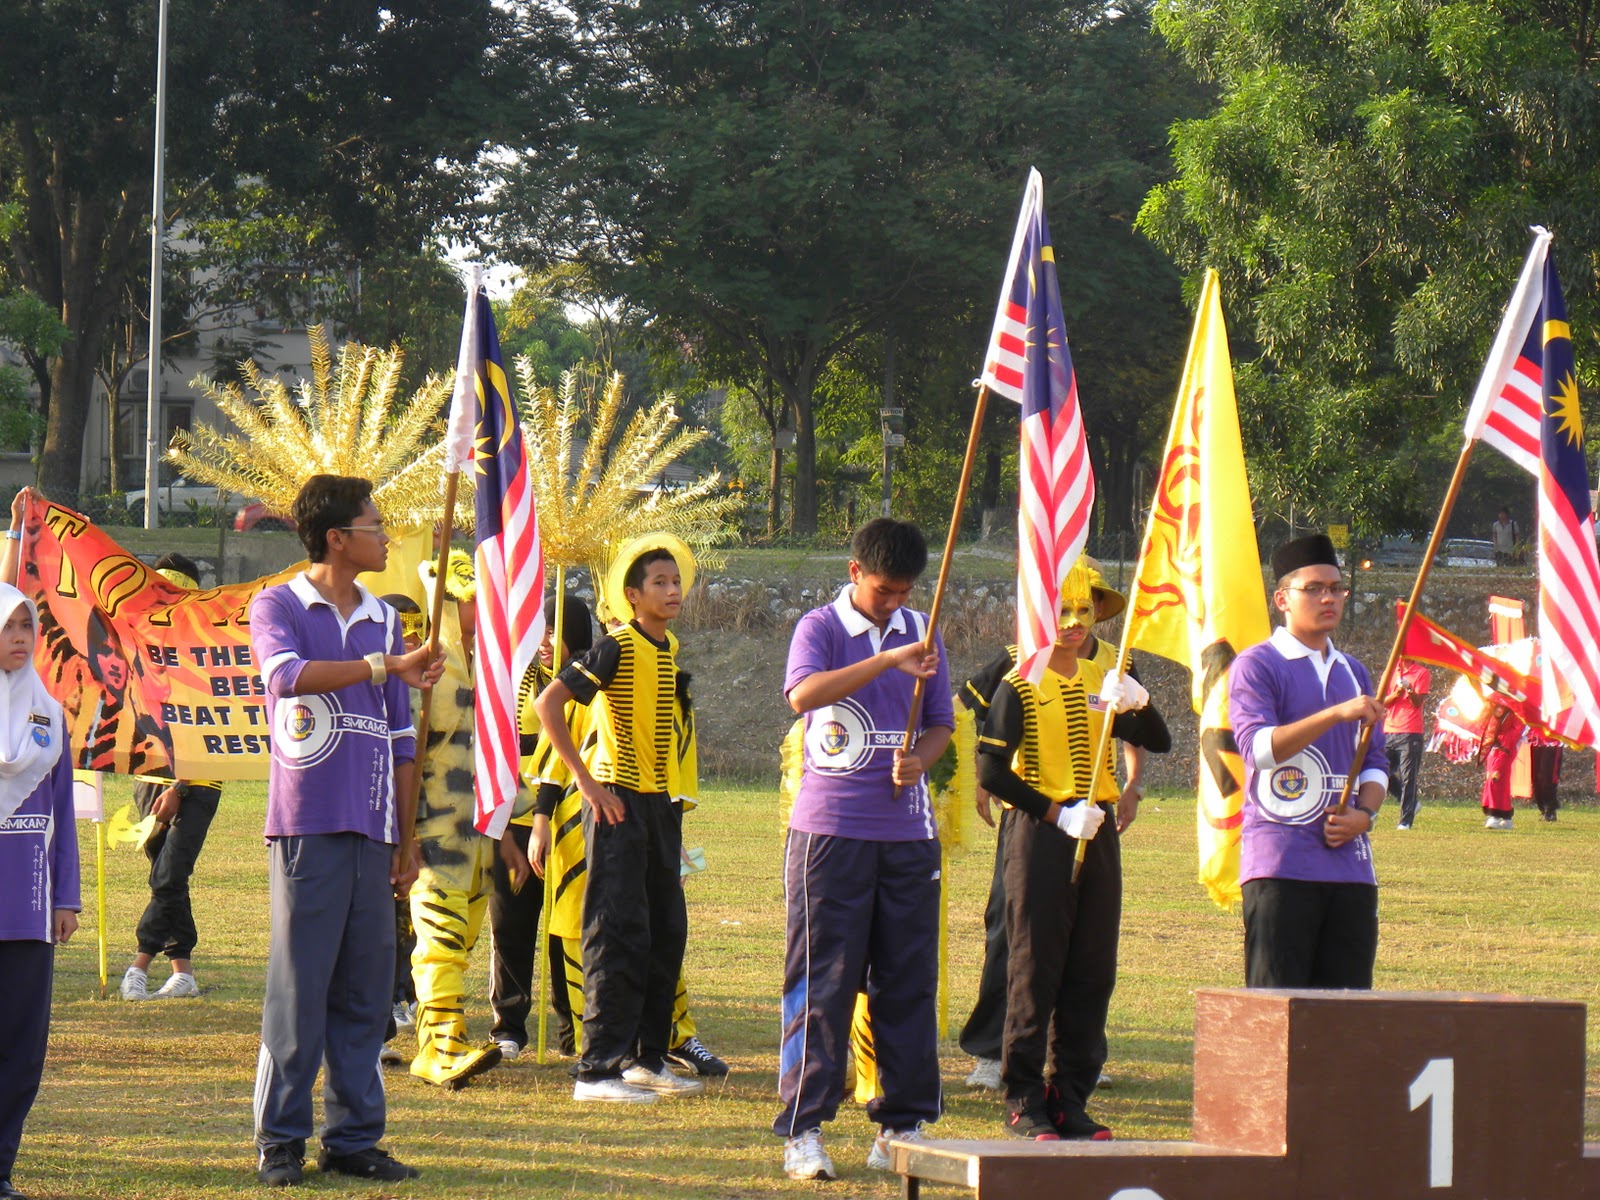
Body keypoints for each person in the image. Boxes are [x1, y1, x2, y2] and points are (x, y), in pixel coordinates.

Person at [247, 475, 442, 1187]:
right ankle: (280, 1139)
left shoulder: (384, 619)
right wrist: (386, 665)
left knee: (365, 991)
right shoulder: (277, 604)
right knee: (299, 988)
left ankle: (354, 1137)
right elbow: (285, 678)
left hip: (373, 828)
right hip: (306, 825)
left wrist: (404, 834)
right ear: (338, 538)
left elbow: (400, 736)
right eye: (374, 524)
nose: (385, 535)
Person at [775, 518, 953, 1182]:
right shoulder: (819, 628)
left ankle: (901, 1127)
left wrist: (921, 760)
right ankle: (803, 1129)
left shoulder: (924, 631)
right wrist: (885, 659)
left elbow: (940, 724)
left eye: (904, 593)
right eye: (883, 591)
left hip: (909, 837)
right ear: (855, 573)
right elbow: (803, 695)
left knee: (907, 983)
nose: (894, 604)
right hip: (829, 834)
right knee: (823, 980)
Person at [974, 557, 1169, 1141]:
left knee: (1092, 966)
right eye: (1062, 609)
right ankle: (1025, 1097)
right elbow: (990, 767)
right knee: (1035, 964)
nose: (1074, 622)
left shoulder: (1110, 669)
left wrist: (1136, 700)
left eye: (1085, 610)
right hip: (1043, 829)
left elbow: (1156, 739)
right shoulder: (1021, 678)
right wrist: (1057, 812)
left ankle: (1071, 1094)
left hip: (1100, 828)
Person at [533, 533, 702, 1104]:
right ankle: (596, 1070)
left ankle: (646, 1058)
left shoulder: (668, 648)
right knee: (616, 931)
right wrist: (583, 780)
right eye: (659, 582)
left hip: (659, 806)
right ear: (632, 595)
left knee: (664, 930)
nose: (672, 590)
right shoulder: (616, 646)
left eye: (675, 581)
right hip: (615, 797)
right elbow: (548, 705)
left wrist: (674, 819)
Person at [1227, 533, 1388, 990]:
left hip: (1350, 867)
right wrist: (1337, 712)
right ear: (1282, 598)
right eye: (1314, 588)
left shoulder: (1353, 671)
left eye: (1337, 588)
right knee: (1277, 1006)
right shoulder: (1256, 665)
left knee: (1346, 1009)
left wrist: (1366, 814)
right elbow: (1258, 749)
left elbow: (1374, 761)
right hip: (1280, 861)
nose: (1329, 598)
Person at [488, 592, 592, 1062]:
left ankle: (572, 1023)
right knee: (510, 925)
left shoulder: (593, 682)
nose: (546, 642)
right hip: (517, 820)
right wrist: (509, 824)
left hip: (571, 826)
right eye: (540, 632)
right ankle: (508, 1024)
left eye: (554, 631)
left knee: (566, 930)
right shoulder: (516, 680)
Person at [0, 582, 79, 1200]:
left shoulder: (50, 716)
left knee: (22, 1048)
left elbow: (61, 814)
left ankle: (0, 1169)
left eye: (27, 626)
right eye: (8, 627)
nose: (20, 638)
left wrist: (65, 897)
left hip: (26, 904)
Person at [118, 553, 221, 1002]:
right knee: (168, 876)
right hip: (148, 777)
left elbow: (210, 721)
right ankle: (183, 972)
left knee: (168, 876)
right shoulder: (144, 646)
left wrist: (179, 788)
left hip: (197, 783)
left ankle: (138, 967)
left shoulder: (205, 651)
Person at [376, 594, 424, 1067]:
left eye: (418, 630)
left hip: (415, 820)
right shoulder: (372, 681)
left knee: (407, 928)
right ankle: (375, 1027)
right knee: (376, 931)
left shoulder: (431, 687)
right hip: (369, 816)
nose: (411, 641)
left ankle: (407, 998)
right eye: (401, 632)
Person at [1381, 656, 1430, 830]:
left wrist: (1409, 689)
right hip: (1389, 730)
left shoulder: (1421, 673)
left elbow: (1418, 702)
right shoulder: (1390, 672)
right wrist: (1396, 694)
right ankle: (1412, 803)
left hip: (1410, 731)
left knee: (1409, 776)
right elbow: (1381, 701)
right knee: (1380, 770)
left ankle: (1405, 821)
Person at [1478, 701, 1522, 831]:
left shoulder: (1517, 708)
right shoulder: (1492, 706)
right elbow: (1482, 725)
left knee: (1496, 778)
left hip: (1505, 748)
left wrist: (1503, 742)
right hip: (1493, 747)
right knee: (1496, 780)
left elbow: (1517, 730)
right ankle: (1506, 817)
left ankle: (1495, 814)